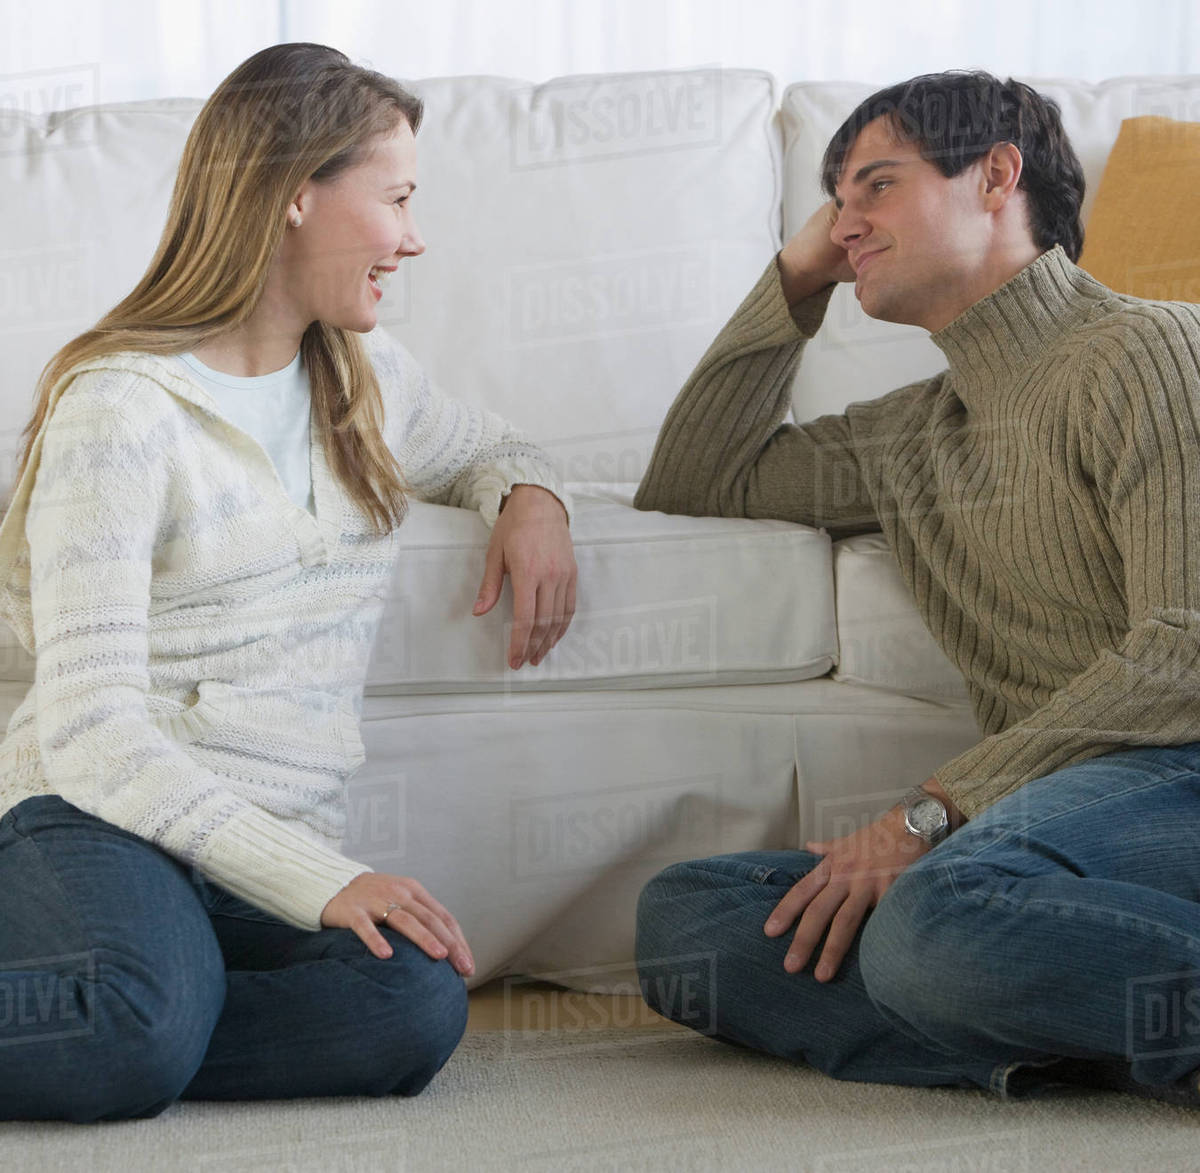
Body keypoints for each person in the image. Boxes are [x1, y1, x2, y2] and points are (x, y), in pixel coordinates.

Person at [0, 42, 576, 1122]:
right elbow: (89, 729)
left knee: (412, 1001)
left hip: (262, 838)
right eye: (396, 199)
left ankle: (143, 1010)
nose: (413, 238)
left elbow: (490, 446)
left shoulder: (369, 379)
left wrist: (529, 498)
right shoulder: (119, 409)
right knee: (139, 1024)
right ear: (295, 193)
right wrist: (321, 883)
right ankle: (136, 1015)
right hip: (98, 815)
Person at [633, 70, 1200, 1106]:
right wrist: (799, 275)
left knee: (936, 921)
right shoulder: (909, 434)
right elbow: (700, 477)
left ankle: (1008, 978)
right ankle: (1068, 1015)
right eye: (833, 200)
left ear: (995, 177)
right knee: (691, 927)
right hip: (1032, 826)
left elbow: (1187, 651)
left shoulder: (1152, 351)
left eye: (876, 188)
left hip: (1179, 770)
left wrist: (930, 815)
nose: (845, 223)